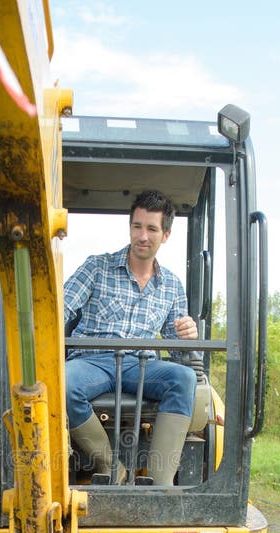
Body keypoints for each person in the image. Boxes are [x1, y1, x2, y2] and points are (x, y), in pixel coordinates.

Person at [64, 189, 198, 486]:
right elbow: (59, 308)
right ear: (130, 228)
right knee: (63, 383)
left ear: (165, 235)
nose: (142, 235)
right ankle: (113, 468)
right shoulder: (96, 267)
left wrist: (187, 335)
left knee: (184, 379)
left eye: (151, 228)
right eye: (137, 226)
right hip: (92, 360)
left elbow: (178, 353)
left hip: (140, 364)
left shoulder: (172, 286)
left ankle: (157, 488)